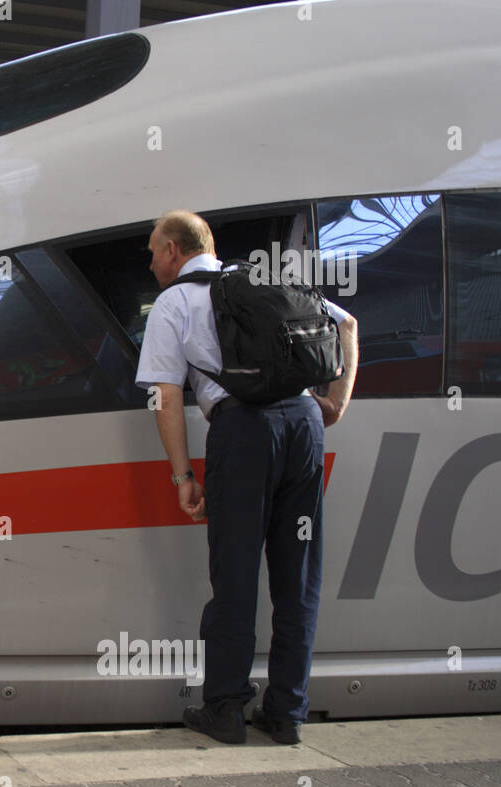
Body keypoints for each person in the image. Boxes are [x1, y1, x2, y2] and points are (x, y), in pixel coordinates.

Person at [135, 210, 358, 745]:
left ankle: (226, 709)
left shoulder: (173, 302)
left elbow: (164, 396)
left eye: (151, 251)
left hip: (242, 431)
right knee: (297, 575)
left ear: (173, 249)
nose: (149, 262)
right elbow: (347, 326)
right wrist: (335, 404)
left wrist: (183, 475)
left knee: (234, 575)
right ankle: (286, 714)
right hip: (304, 425)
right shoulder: (262, 277)